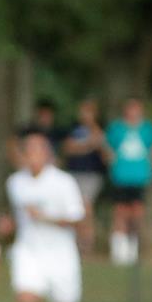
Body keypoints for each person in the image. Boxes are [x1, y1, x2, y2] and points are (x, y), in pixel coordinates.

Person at [0, 132, 87, 302]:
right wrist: (8, 228)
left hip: (61, 256)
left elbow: (76, 220)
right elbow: (19, 221)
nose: (33, 155)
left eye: (38, 150)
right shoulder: (15, 183)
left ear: (48, 154)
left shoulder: (63, 182)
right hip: (28, 253)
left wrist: (45, 217)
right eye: (29, 150)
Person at [103, 98, 152, 265]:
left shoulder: (147, 129)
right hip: (121, 177)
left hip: (140, 177)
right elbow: (106, 145)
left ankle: (133, 248)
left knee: (137, 212)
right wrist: (111, 161)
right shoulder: (117, 128)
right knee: (120, 212)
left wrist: (150, 163)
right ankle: (119, 251)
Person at [59, 99, 108, 257]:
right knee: (73, 209)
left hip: (91, 175)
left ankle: (86, 245)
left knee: (86, 208)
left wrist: (84, 145)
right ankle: (74, 244)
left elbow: (105, 153)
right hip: (73, 173)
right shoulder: (73, 129)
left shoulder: (99, 130)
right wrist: (88, 145)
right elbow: (67, 148)